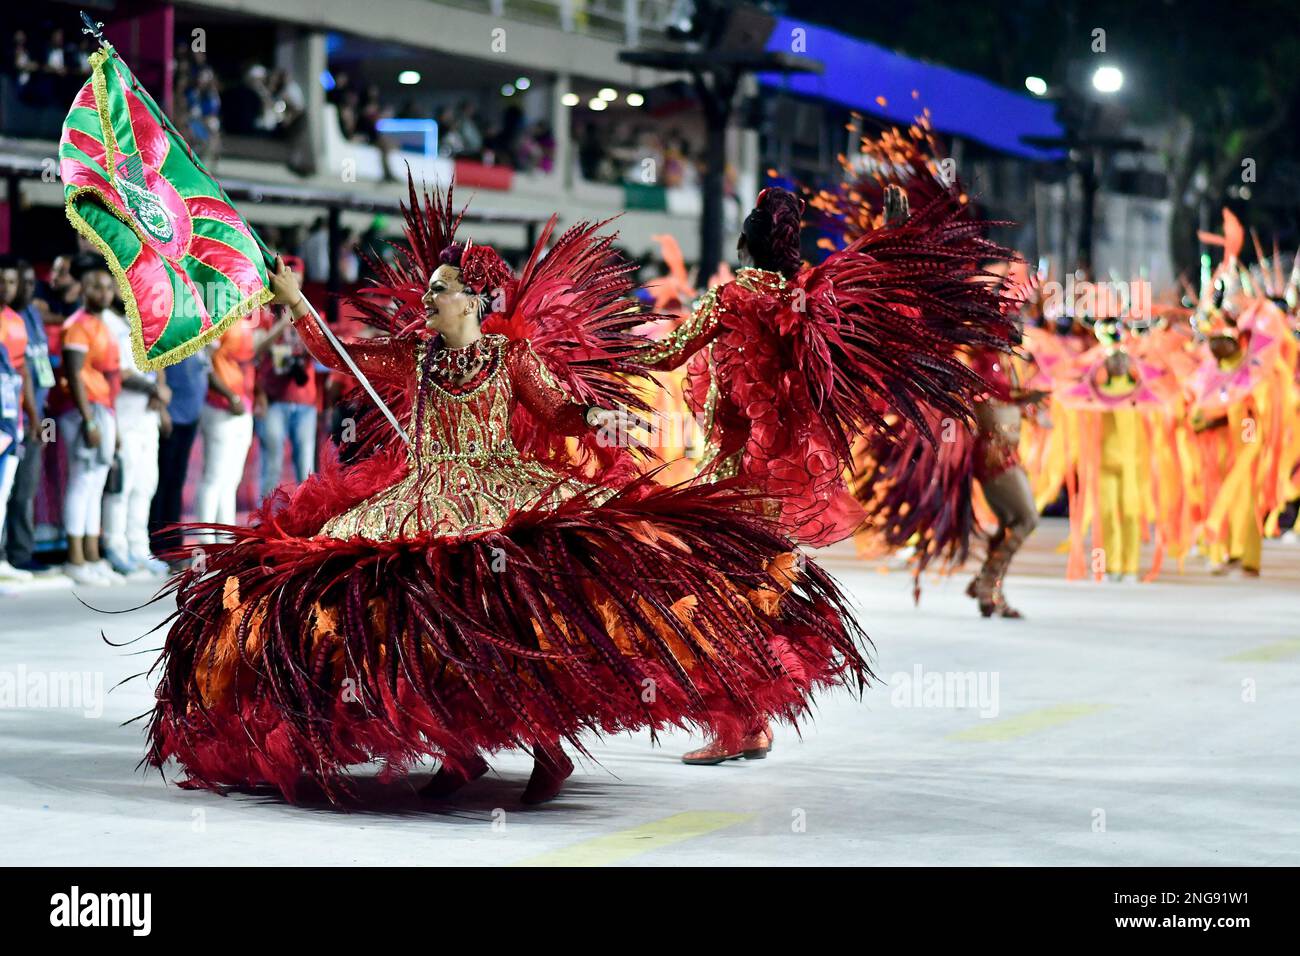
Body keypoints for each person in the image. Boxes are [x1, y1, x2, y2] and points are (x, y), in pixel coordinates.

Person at [144, 186, 872, 807]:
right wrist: (297, 301)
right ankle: (459, 751)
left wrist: (597, 415)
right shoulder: (415, 354)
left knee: (521, 623)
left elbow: (557, 411)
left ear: (474, 298)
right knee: (416, 625)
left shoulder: (506, 355)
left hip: (498, 492)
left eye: (440, 289)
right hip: (422, 495)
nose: (427, 298)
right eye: (429, 289)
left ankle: (548, 748)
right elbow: (334, 355)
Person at [639, 185, 1016, 760]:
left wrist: (591, 347)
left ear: (744, 245)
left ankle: (740, 724)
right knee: (757, 596)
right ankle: (750, 722)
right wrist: (895, 240)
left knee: (718, 598)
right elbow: (883, 303)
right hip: (791, 476)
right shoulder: (813, 297)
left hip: (740, 475)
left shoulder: (731, 297)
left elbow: (664, 356)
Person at [52, 262, 121, 586]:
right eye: (96, 287)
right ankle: (75, 558)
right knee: (82, 482)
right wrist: (88, 419)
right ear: (83, 290)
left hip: (103, 407)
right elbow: (75, 374)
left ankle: (93, 556)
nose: (104, 293)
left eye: (108, 288)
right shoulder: (77, 325)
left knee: (95, 484)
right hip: (83, 410)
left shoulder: (102, 324)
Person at [100, 301, 170, 578]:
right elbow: (121, 373)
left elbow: (158, 364)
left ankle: (140, 548)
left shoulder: (142, 324)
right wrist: (154, 388)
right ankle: (115, 547)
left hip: (146, 420)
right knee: (122, 486)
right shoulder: (110, 324)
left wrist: (161, 397)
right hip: (124, 417)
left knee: (145, 485)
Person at [3, 259, 55, 575]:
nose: (25, 288)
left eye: (30, 283)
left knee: (27, 486)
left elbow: (35, 369)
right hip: (12, 413)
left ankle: (22, 552)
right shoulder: (10, 318)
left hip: (37, 411)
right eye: (20, 282)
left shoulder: (31, 314)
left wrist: (38, 416)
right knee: (9, 487)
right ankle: (12, 553)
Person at [253, 257, 318, 500]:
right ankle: (263, 522)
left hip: (304, 401)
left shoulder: (312, 314)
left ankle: (308, 523)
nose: (293, 288)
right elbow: (255, 351)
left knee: (306, 469)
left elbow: (323, 353)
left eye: (298, 283)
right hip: (274, 399)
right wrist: (282, 325)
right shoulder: (267, 314)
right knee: (272, 465)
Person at [195, 319, 255, 541]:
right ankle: (205, 540)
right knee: (213, 476)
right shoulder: (218, 320)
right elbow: (205, 365)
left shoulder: (247, 323)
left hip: (243, 408)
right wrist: (230, 396)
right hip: (220, 406)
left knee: (231, 480)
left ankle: (224, 537)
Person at [148, 351, 206, 568]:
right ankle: (158, 546)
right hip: (171, 415)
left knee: (176, 482)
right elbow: (157, 368)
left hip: (190, 415)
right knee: (161, 482)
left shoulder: (198, 332)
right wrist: (163, 410)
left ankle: (174, 546)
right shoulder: (168, 332)